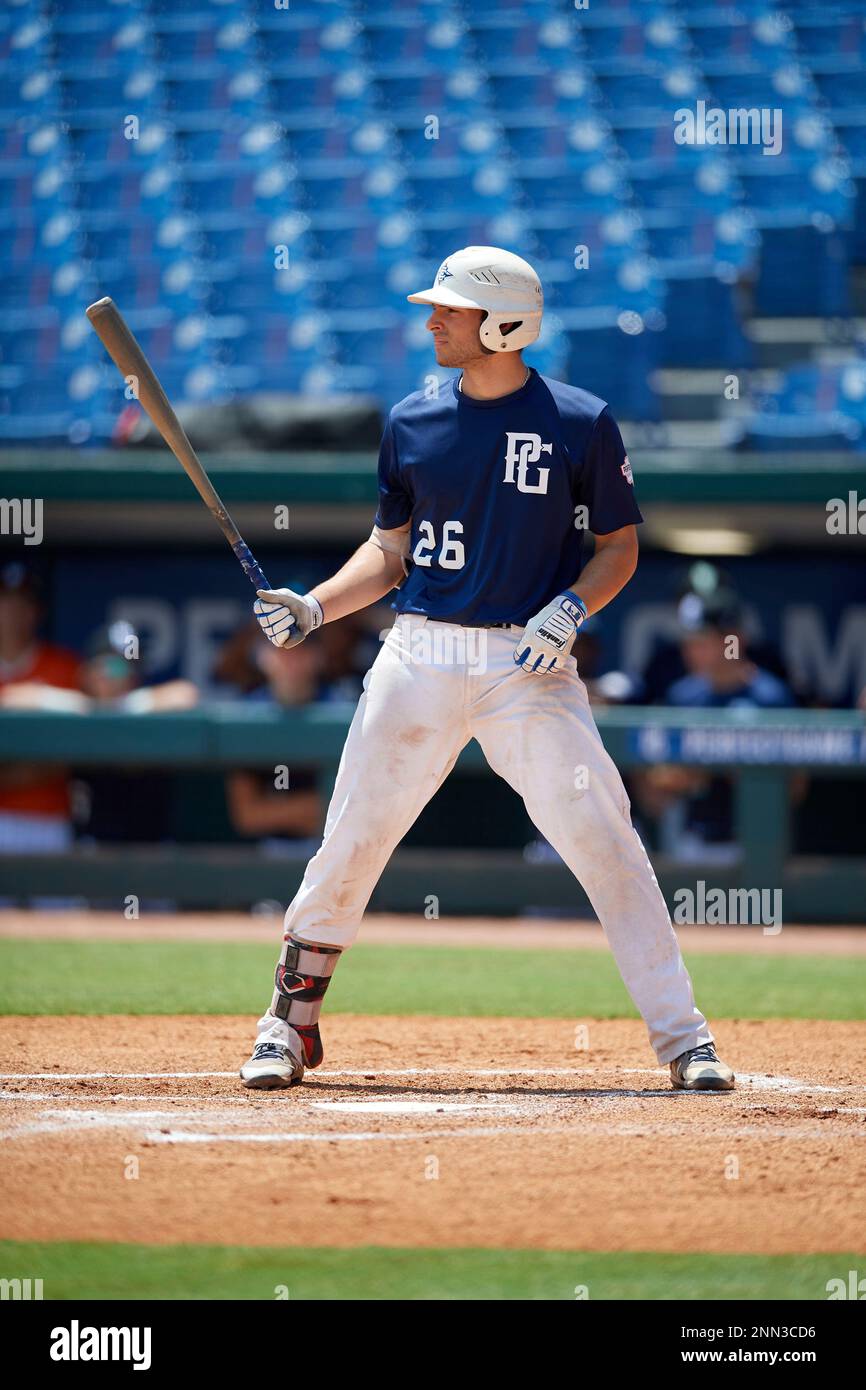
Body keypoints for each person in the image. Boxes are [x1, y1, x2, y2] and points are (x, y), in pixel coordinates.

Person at [239, 245, 735, 1094]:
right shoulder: (411, 420)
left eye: (450, 309)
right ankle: (287, 1026)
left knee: (606, 841)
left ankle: (685, 1039)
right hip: (419, 653)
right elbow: (389, 552)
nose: (432, 319)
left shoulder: (580, 421)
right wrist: (317, 606)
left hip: (529, 665)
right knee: (353, 839)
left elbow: (617, 547)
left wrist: (573, 608)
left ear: (504, 324)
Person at [0, 562, 81, 852]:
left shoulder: (64, 667)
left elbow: (72, 748)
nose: (13, 612)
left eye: (24, 603)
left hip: (49, 817)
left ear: (38, 612)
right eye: (6, 602)